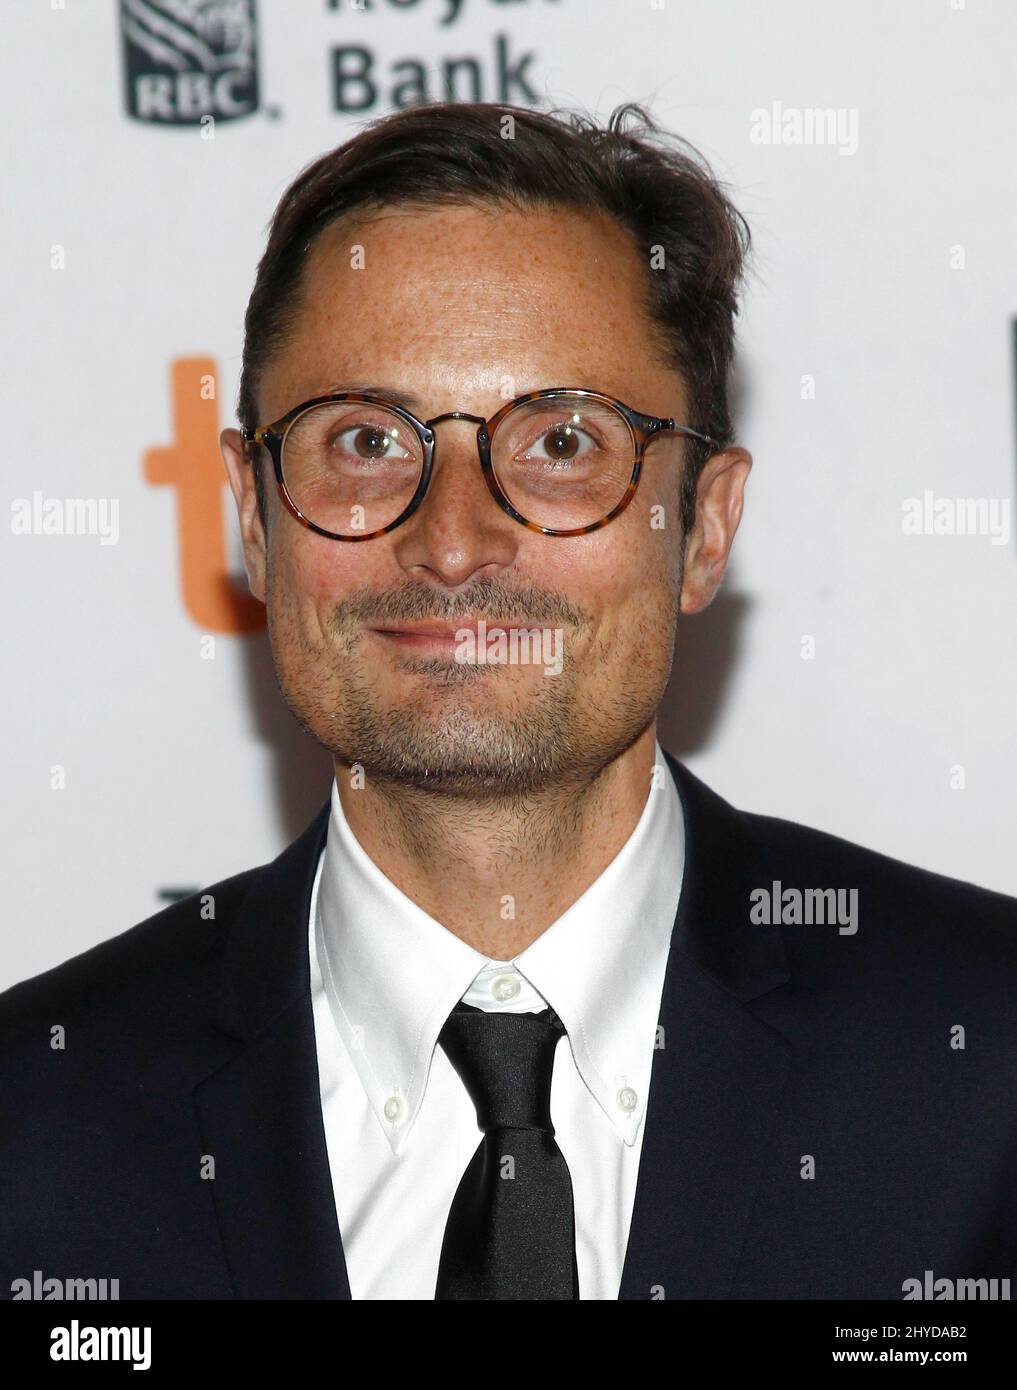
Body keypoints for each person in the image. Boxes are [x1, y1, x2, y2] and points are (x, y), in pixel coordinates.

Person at [3, 100, 1016, 1303]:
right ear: (254, 519)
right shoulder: (36, 1125)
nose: (451, 540)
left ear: (704, 526)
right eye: (367, 442)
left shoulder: (986, 1068)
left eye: (562, 441)